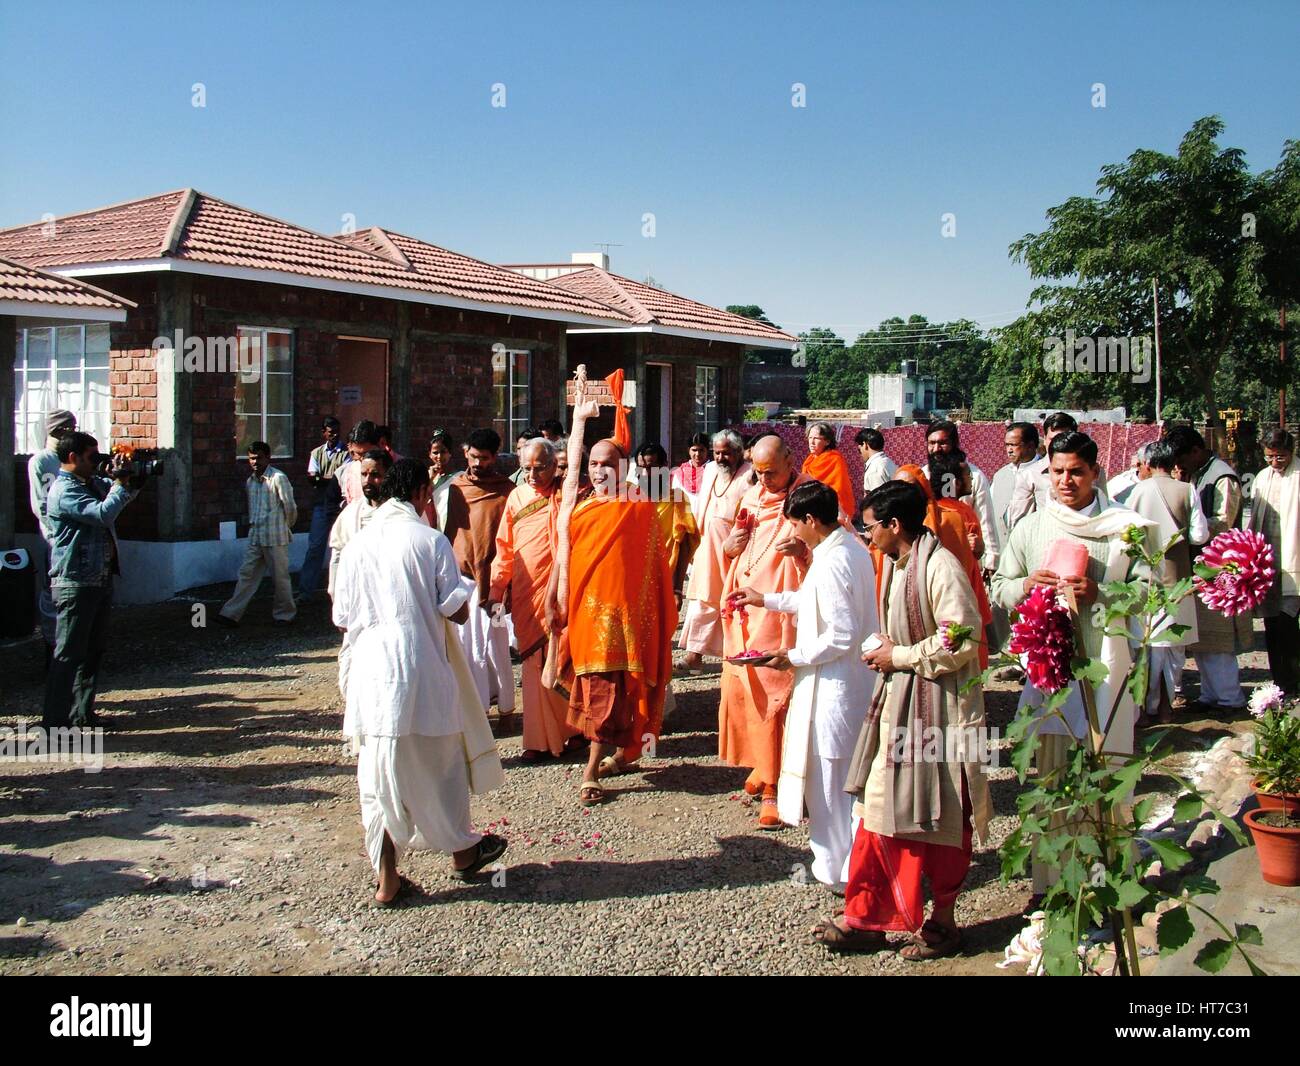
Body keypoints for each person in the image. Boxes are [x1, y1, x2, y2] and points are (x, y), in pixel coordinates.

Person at [814, 480, 991, 957]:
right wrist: (891, 656)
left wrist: (902, 656)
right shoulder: (899, 564)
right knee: (879, 811)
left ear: (895, 525)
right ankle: (867, 918)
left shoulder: (939, 568)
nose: (866, 536)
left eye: (870, 527)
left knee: (946, 818)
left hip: (944, 714)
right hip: (902, 705)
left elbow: (963, 639)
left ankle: (943, 924)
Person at [332, 458, 507, 904]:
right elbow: (456, 609)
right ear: (422, 495)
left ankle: (388, 879)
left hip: (371, 677)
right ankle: (462, 851)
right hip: (421, 672)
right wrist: (464, 592)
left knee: (378, 778)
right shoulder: (429, 541)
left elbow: (341, 617)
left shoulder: (357, 547)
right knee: (441, 768)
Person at [992, 431, 1151, 902]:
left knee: (1105, 770)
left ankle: (1104, 884)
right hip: (1052, 676)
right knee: (1054, 774)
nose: (1066, 481)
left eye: (1076, 472)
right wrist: (1025, 585)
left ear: (1096, 473)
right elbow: (999, 586)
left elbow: (1148, 592)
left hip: (1106, 667)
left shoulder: (1125, 528)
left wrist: (1100, 594)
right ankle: (1051, 885)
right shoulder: (1033, 526)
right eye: (1057, 471)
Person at [731, 481, 878, 891]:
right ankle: (849, 869)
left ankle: (843, 873)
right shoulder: (848, 548)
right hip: (847, 683)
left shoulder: (834, 561)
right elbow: (814, 601)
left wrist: (790, 656)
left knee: (831, 786)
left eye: (795, 524)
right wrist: (767, 600)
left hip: (836, 689)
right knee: (841, 783)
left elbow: (841, 635)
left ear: (811, 520)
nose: (793, 534)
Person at [546, 437, 677, 806]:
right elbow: (564, 561)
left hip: (632, 618)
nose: (600, 471)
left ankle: (620, 755)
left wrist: (655, 611)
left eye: (608, 464)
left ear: (624, 467)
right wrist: (551, 599)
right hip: (587, 617)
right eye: (594, 464)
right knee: (598, 690)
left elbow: (654, 569)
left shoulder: (640, 507)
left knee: (631, 690)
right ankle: (591, 768)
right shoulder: (580, 507)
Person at [718, 434, 813, 828]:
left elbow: (842, 549)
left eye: (771, 472)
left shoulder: (811, 498)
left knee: (775, 696)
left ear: (791, 460)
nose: (764, 480)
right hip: (744, 608)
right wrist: (729, 546)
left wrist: (804, 554)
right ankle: (761, 764)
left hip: (782, 612)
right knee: (745, 694)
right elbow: (732, 548)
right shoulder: (751, 495)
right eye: (758, 472)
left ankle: (775, 788)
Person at [489, 438, 581, 760]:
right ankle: (538, 740)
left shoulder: (567, 496)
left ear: (555, 466)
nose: (531, 474)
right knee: (532, 664)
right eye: (526, 468)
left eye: (539, 468)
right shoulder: (516, 497)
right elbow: (505, 547)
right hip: (528, 594)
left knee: (564, 657)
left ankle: (574, 729)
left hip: (562, 592)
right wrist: (497, 590)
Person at [42, 432, 138, 729]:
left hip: (98, 577)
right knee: (68, 654)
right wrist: (120, 485)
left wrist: (132, 479)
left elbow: (119, 497)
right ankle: (55, 722)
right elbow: (103, 514)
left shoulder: (89, 483)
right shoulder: (64, 490)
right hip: (75, 580)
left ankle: (81, 714)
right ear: (73, 457)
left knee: (92, 653)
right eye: (92, 456)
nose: (96, 462)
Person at [1125, 439, 1209, 722]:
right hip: (1178, 580)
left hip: (1143, 581)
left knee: (1145, 647)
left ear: (1147, 464)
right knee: (1173, 648)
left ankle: (1143, 708)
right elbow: (1200, 536)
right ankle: (1165, 706)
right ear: (1174, 463)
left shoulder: (1135, 492)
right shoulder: (1187, 490)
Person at [1167, 426, 1250, 711]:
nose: (1179, 466)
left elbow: (1223, 521)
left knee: (1218, 637)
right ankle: (1210, 695)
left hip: (1220, 564)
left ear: (1196, 451)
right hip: (1202, 564)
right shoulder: (1199, 474)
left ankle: (1230, 697)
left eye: (1182, 459)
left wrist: (1189, 530)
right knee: (1202, 636)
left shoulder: (1222, 477)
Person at [443, 427, 517, 724]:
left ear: (494, 457)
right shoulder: (456, 488)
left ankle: (507, 710)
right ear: (466, 453)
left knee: (497, 645)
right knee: (467, 645)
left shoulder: (506, 491)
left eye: (483, 458)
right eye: (473, 457)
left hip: (497, 582)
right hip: (464, 580)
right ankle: (477, 710)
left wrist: (507, 582)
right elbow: (451, 534)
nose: (477, 464)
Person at [894, 464, 991, 668]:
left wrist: (984, 552)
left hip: (949, 600)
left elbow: (967, 567)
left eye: (912, 487)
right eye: (899, 488)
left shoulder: (954, 517)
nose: (906, 494)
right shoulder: (891, 529)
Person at [679, 430, 752, 667]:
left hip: (734, 552)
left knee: (730, 602)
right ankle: (694, 655)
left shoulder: (749, 475)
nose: (721, 458)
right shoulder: (710, 470)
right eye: (717, 453)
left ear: (739, 453)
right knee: (701, 600)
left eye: (726, 454)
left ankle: (733, 653)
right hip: (706, 547)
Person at [218, 442, 298, 626]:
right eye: (252, 458)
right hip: (256, 537)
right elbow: (252, 509)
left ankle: (285, 615)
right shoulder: (250, 482)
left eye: (259, 457)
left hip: (275, 537)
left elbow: (290, 507)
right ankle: (231, 614)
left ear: (268, 458)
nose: (255, 462)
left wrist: (285, 527)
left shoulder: (278, 478)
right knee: (247, 575)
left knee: (280, 579)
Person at [1249, 428, 1300, 698]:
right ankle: (1279, 680)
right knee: (1271, 623)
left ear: (1291, 452)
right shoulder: (1261, 477)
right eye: (1269, 457)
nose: (1274, 462)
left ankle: (1293, 680)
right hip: (1267, 561)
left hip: (1294, 557)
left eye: (1280, 457)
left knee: (1289, 622)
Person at [27, 408, 78, 649]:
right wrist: (56, 535)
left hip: (76, 536)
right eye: (69, 428)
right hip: (54, 538)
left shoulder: (72, 458)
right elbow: (40, 504)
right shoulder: (40, 461)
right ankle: (51, 643)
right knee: (52, 592)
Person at [1005, 411, 1106, 528]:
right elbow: (1019, 522)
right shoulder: (1030, 475)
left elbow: (1102, 507)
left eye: (1064, 439)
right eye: (1053, 439)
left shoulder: (1091, 471)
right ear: (1045, 440)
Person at [924, 420, 999, 572]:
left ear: (954, 443)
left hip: (966, 561)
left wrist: (991, 562)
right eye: (932, 443)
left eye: (942, 443)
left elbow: (985, 520)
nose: (936, 449)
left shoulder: (974, 476)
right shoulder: (923, 475)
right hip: (931, 561)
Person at [990, 422, 1039, 649]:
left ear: (1030, 446)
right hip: (1004, 549)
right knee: (1005, 603)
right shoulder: (1001, 476)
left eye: (1014, 445)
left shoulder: (1043, 475)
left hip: (1031, 553)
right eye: (1006, 445)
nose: (1009, 450)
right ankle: (1010, 649)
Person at [635, 442, 699, 606]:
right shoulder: (629, 501)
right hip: (632, 583)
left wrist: (677, 589)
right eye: (640, 467)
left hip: (664, 583)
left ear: (664, 467)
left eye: (651, 467)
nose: (645, 473)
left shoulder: (677, 500)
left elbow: (684, 545)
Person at [327, 448, 392, 596]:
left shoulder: (403, 513)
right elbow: (337, 554)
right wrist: (335, 592)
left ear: (388, 476)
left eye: (375, 475)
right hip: (358, 593)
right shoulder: (350, 513)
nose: (367, 481)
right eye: (364, 474)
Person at [298, 417, 347, 599]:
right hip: (321, 504)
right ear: (323, 432)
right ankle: (305, 590)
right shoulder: (316, 453)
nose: (333, 435)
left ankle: (342, 591)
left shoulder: (346, 453)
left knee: (342, 547)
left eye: (336, 431)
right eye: (330, 431)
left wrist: (323, 479)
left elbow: (343, 478)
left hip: (340, 506)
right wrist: (331, 479)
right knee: (315, 547)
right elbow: (312, 479)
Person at [802, 421, 856, 521]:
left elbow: (839, 489)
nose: (812, 442)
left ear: (827, 441)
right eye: (810, 438)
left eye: (816, 438)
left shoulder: (834, 459)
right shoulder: (809, 460)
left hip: (833, 511)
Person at [340, 421, 380, 507]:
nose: (362, 459)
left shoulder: (397, 471)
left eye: (366, 454)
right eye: (358, 454)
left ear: (381, 445)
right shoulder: (349, 471)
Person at [425, 429, 458, 532]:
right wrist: (429, 480)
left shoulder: (459, 478)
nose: (439, 457)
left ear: (450, 453)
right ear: (429, 454)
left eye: (443, 452)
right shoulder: (424, 477)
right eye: (435, 452)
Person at [672, 432, 711, 512]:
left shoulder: (714, 470)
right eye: (694, 450)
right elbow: (675, 500)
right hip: (685, 518)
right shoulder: (680, 473)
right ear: (688, 450)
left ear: (707, 450)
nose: (697, 454)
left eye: (701, 450)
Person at [856, 426, 896, 495]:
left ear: (865, 445)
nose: (860, 454)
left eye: (859, 449)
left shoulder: (874, 470)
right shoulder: (887, 461)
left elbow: (879, 502)